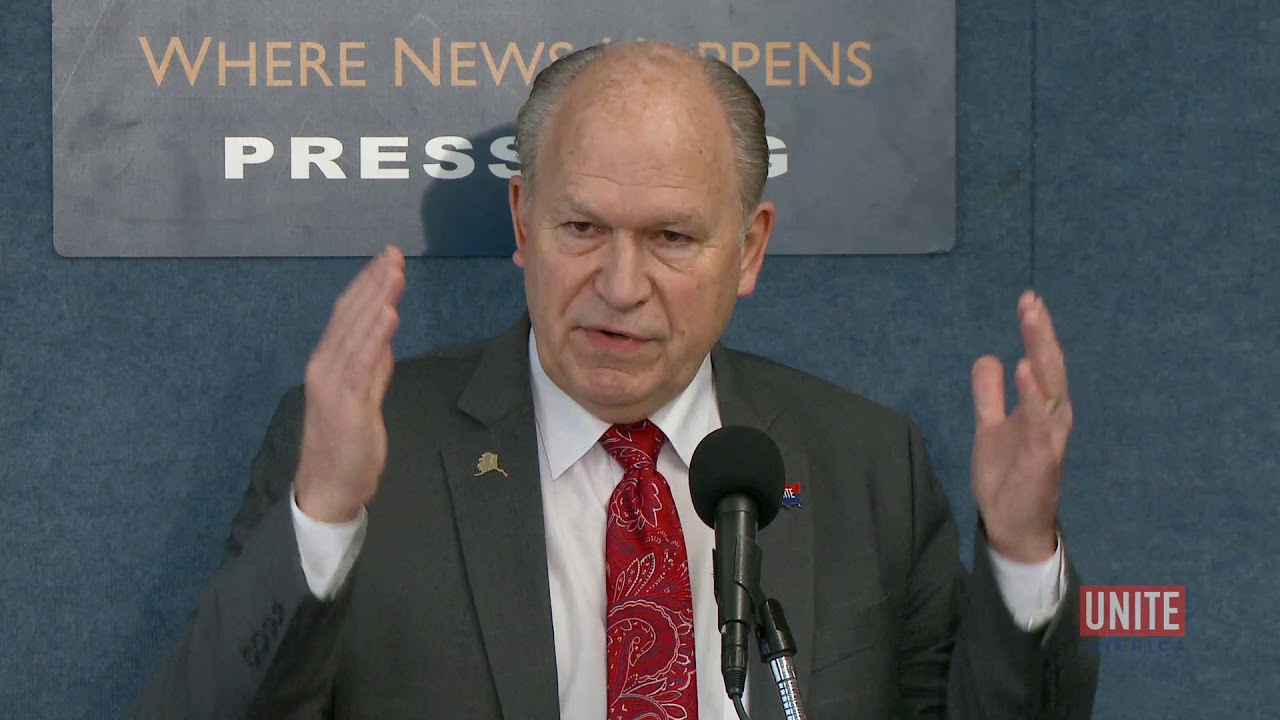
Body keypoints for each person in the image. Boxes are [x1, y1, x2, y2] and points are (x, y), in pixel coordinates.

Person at [133, 41, 1099, 719]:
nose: (620, 286)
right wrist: (323, 525)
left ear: (751, 249)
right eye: (582, 228)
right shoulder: (361, 449)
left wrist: (1020, 556)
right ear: (521, 224)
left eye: (672, 238)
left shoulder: (865, 464)